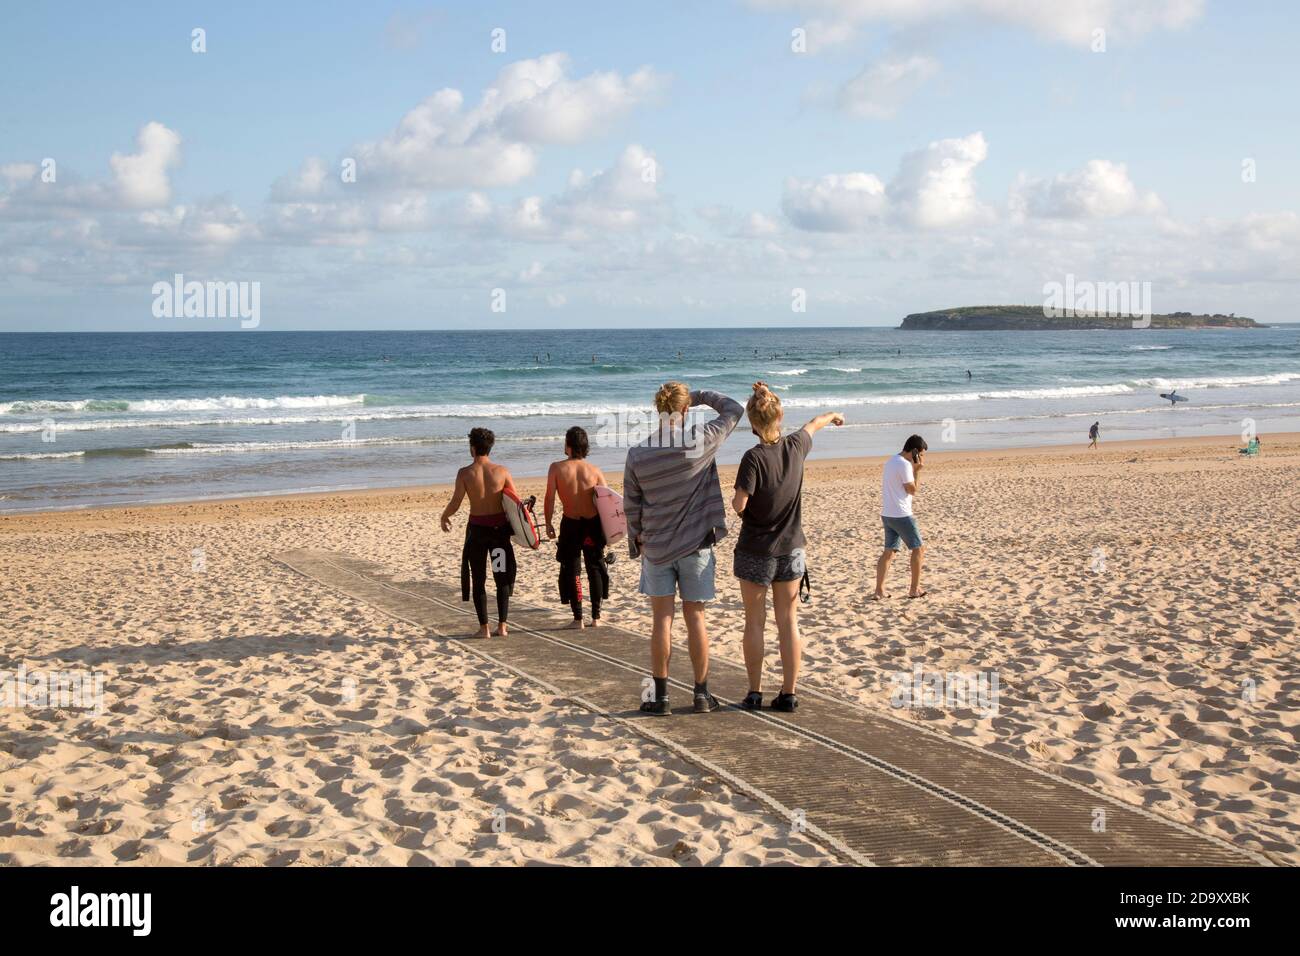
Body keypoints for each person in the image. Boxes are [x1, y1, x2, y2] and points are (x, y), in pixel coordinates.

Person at [624, 381, 743, 715]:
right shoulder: (700, 440)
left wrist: (639, 540)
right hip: (696, 546)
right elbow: (735, 409)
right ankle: (701, 695)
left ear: (657, 410)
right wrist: (703, 395)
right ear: (686, 408)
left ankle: (660, 698)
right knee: (696, 619)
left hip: (658, 548)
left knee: (661, 621)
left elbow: (631, 507)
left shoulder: (639, 453)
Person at [731, 382, 844, 712]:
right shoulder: (796, 446)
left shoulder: (752, 458)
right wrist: (835, 415)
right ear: (780, 416)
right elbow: (815, 422)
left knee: (754, 622)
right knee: (788, 621)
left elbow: (740, 504)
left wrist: (741, 502)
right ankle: (789, 693)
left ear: (751, 425)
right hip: (792, 549)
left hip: (756, 549)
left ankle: (754, 692)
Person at [441, 427, 516, 637]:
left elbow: (456, 502)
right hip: (498, 534)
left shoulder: (465, 473)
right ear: (490, 448)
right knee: (501, 577)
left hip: (477, 535)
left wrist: (444, 516)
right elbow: (514, 505)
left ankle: (484, 628)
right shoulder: (502, 472)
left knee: (479, 579)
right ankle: (502, 626)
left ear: (472, 448)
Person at [544, 426, 608, 629]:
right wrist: (609, 530)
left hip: (571, 524)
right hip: (593, 524)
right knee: (595, 568)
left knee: (573, 569)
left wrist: (548, 523)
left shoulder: (556, 468)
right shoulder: (595, 470)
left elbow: (550, 498)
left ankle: (578, 619)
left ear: (569, 445)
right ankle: (596, 617)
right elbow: (607, 502)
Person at [874, 435, 927, 600]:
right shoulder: (904, 465)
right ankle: (914, 589)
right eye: (922, 454)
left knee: (889, 552)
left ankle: (879, 591)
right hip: (902, 514)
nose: (922, 458)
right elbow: (912, 490)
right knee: (918, 549)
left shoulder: (891, 461)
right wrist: (916, 471)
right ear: (915, 451)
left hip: (888, 513)